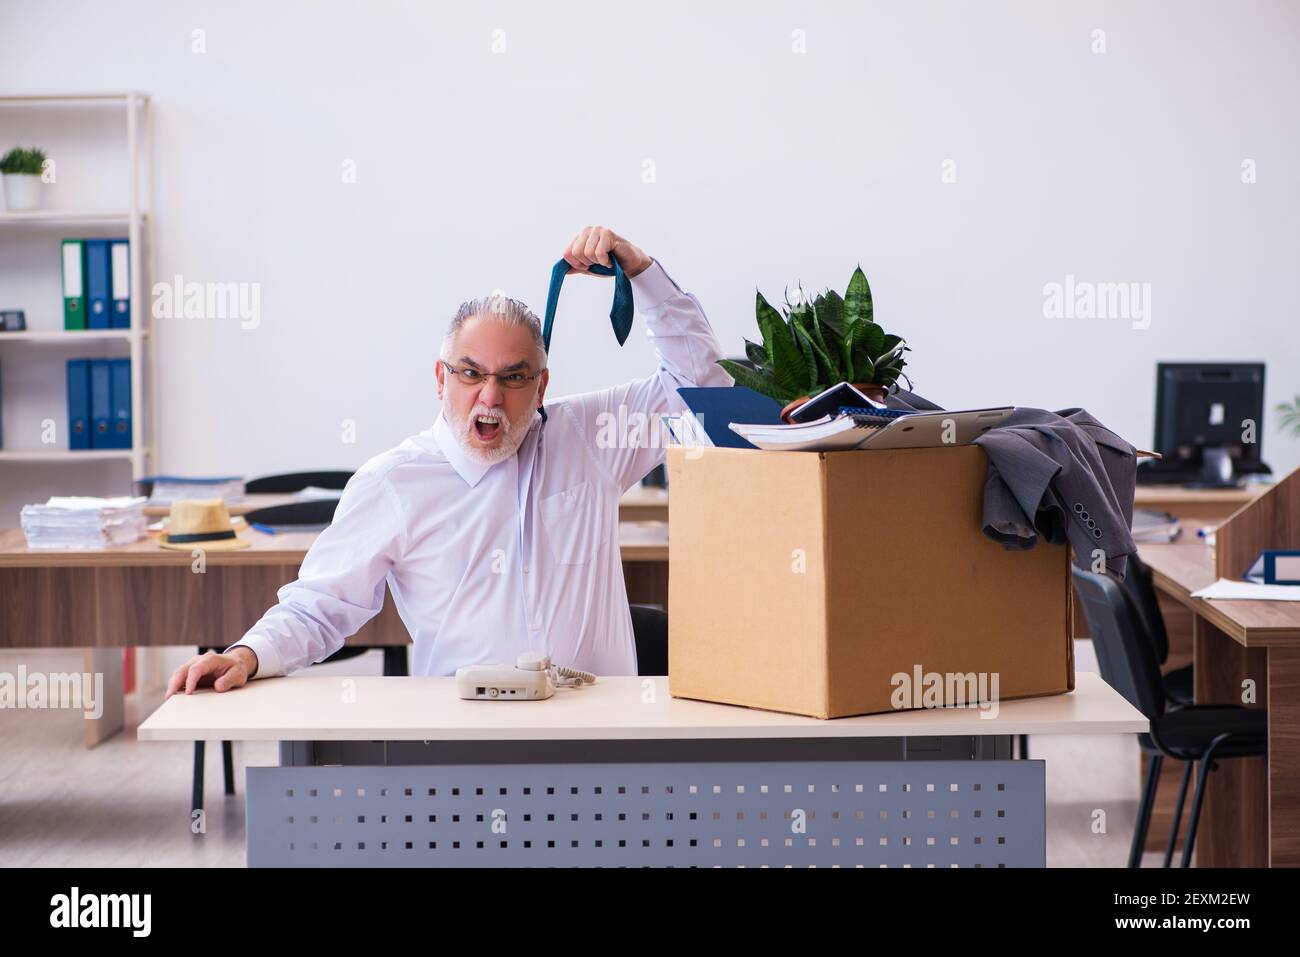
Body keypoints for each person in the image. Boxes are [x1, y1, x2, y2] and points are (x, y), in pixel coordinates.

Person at [166, 225, 732, 696]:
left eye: (513, 378)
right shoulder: (394, 482)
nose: (490, 397)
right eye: (470, 373)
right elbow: (320, 605)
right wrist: (246, 654)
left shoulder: (588, 437)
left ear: (540, 387)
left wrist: (640, 270)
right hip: (467, 754)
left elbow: (700, 383)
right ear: (442, 378)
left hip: (605, 744)